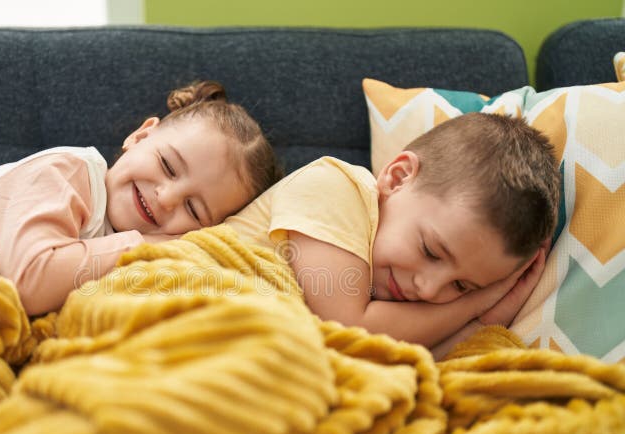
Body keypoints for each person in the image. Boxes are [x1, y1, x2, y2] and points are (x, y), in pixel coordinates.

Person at [0, 80, 283, 323]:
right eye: (167, 165)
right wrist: (148, 247)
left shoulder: (141, 260)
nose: (165, 198)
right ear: (140, 136)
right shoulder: (68, 171)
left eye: (193, 210)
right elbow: (30, 277)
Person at [225, 112, 560, 350]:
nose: (428, 291)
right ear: (398, 178)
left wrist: (484, 325)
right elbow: (351, 335)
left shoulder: (393, 308)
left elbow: (403, 357)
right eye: (431, 251)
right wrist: (478, 300)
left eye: (461, 285)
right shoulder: (334, 186)